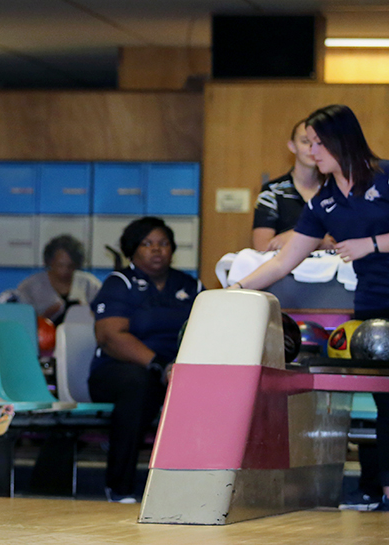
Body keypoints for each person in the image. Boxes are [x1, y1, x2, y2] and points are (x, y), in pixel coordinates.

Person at [232, 104, 389, 512]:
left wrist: (372, 245)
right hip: (374, 309)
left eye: (319, 143)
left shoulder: (385, 175)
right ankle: (386, 488)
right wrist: (237, 287)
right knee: (385, 401)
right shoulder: (324, 202)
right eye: (309, 143)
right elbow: (285, 260)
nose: (313, 152)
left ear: (342, 141)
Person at [88, 216, 202, 503]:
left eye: (163, 243)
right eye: (147, 243)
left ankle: (195, 488)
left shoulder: (190, 285)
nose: (157, 249)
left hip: (176, 371)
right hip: (118, 371)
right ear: (132, 250)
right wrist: (158, 365)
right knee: (139, 384)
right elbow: (110, 336)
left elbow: (207, 330)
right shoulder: (120, 283)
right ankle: (120, 487)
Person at [253, 120, 333, 251]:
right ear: (292, 146)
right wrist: (320, 240)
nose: (312, 149)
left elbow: (343, 243)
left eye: (319, 143)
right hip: (286, 270)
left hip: (328, 269)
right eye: (305, 141)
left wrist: (295, 237)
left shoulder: (335, 190)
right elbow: (262, 247)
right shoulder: (272, 192)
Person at [15, 235, 101, 326]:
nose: (65, 270)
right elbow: (22, 320)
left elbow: (103, 312)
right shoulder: (30, 286)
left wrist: (86, 312)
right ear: (49, 262)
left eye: (70, 266)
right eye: (60, 265)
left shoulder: (90, 284)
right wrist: (45, 317)